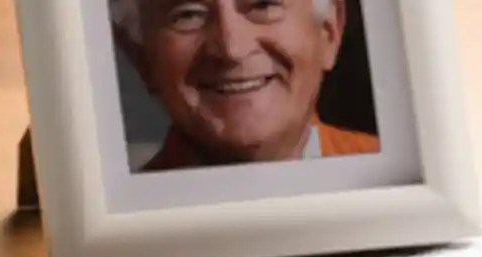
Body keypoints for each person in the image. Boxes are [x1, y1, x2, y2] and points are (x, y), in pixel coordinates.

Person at [109, 0, 380, 171]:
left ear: (329, 32)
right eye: (188, 15)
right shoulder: (119, 237)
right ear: (139, 58)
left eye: (263, 5)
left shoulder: (395, 188)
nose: (232, 49)